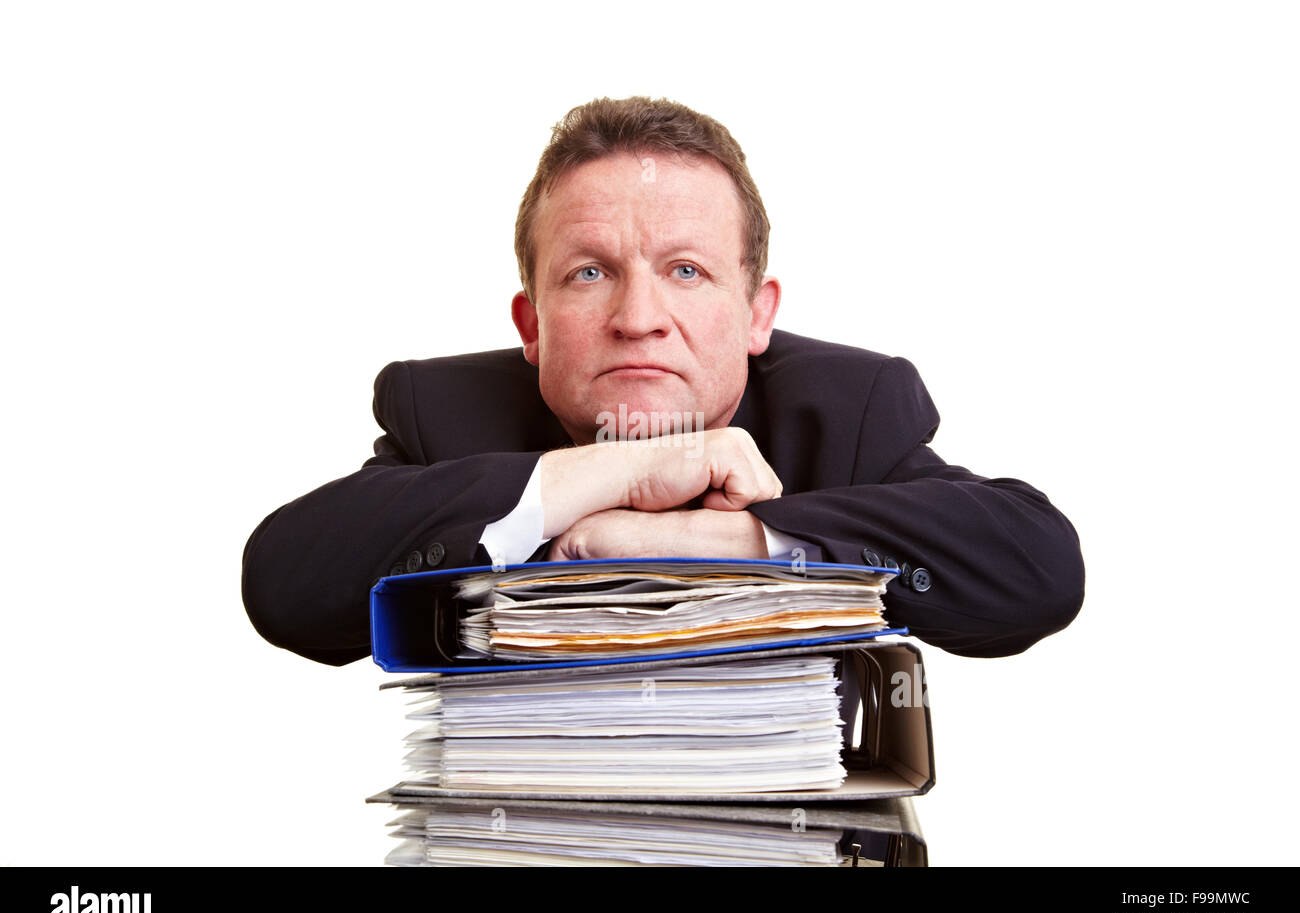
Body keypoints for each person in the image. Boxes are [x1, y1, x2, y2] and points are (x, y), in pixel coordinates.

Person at [241, 96, 1085, 667]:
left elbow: (1037, 569)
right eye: (588, 274)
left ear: (757, 315)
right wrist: (617, 473)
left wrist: (727, 544)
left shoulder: (847, 413)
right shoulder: (444, 415)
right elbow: (284, 586)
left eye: (685, 270)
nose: (639, 316)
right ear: (530, 326)